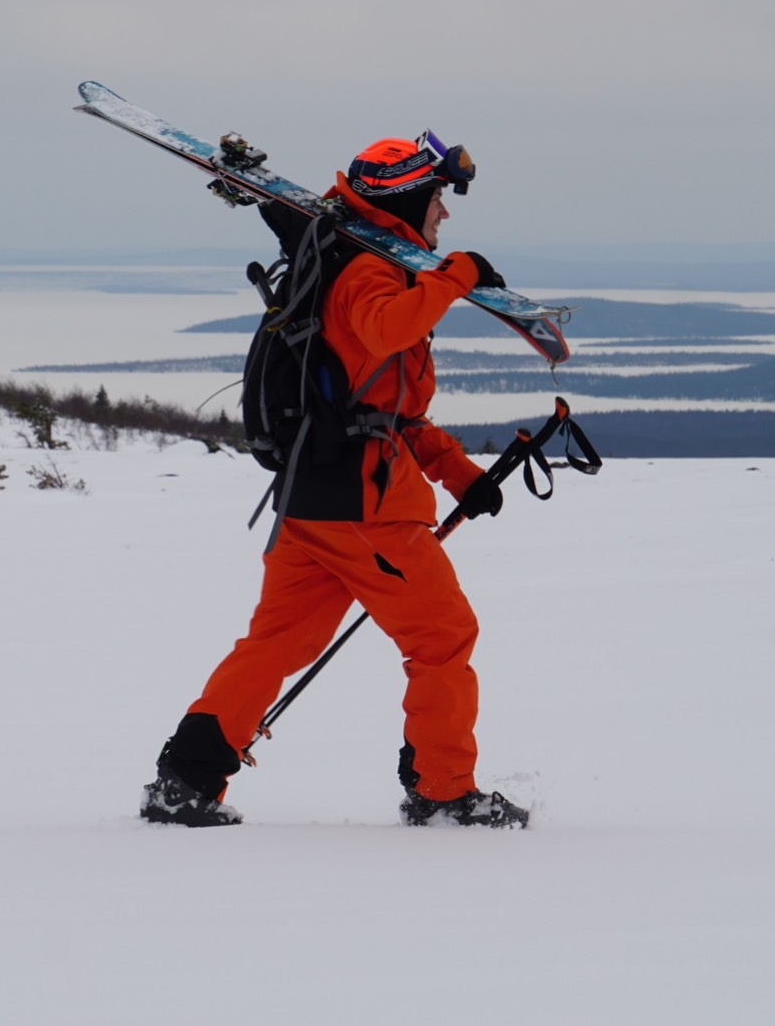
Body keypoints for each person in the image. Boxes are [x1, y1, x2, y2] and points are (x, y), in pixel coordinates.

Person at [139, 134, 530, 829]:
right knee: (443, 635)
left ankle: (185, 780)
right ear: (409, 197)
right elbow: (386, 332)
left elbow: (383, 407)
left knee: (277, 645)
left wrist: (456, 471)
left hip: (312, 500)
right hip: (363, 508)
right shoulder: (369, 275)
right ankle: (443, 791)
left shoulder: (351, 257)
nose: (444, 215)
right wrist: (458, 274)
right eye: (438, 199)